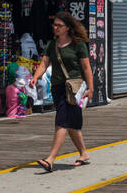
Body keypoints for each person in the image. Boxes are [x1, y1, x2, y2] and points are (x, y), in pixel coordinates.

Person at [31, 12, 93, 171]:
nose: (55, 28)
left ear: (68, 28)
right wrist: (35, 77)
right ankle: (84, 153)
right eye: (55, 25)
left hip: (73, 88)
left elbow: (86, 68)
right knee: (71, 123)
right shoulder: (52, 44)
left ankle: (50, 159)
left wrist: (91, 88)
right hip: (58, 87)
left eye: (59, 25)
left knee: (62, 121)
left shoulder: (78, 45)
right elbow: (44, 64)